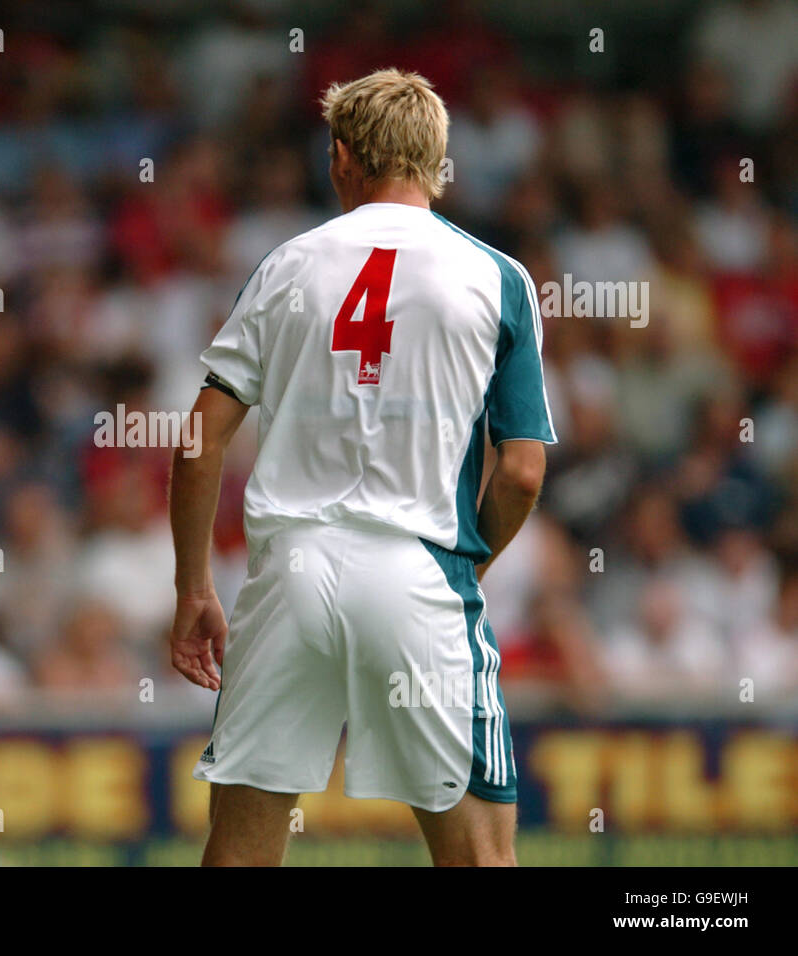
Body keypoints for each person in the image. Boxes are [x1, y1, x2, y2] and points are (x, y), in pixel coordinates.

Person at [168, 70, 554, 866]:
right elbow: (520, 472)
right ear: (437, 160)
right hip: (417, 573)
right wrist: (468, 560)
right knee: (480, 856)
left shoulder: (286, 265)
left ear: (342, 155)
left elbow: (198, 441)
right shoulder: (497, 278)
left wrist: (194, 588)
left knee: (238, 849)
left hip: (289, 574)